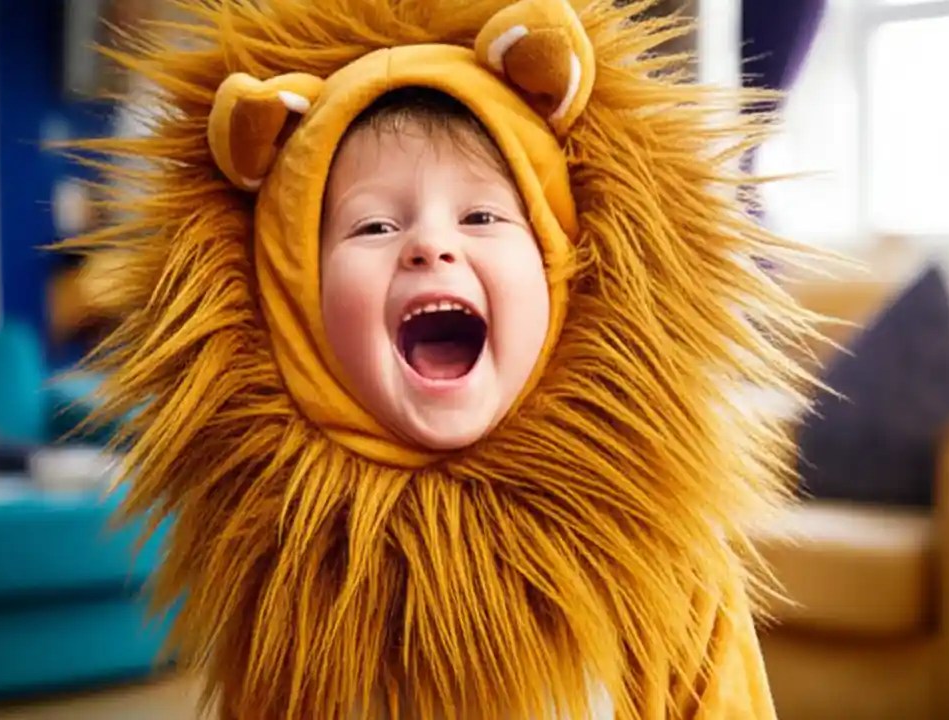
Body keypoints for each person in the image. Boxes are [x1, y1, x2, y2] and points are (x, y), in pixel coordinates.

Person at [61, 0, 826, 717]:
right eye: (373, 227)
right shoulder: (280, 577)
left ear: (562, 270)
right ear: (295, 302)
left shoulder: (659, 561)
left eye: (482, 215)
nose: (430, 243)